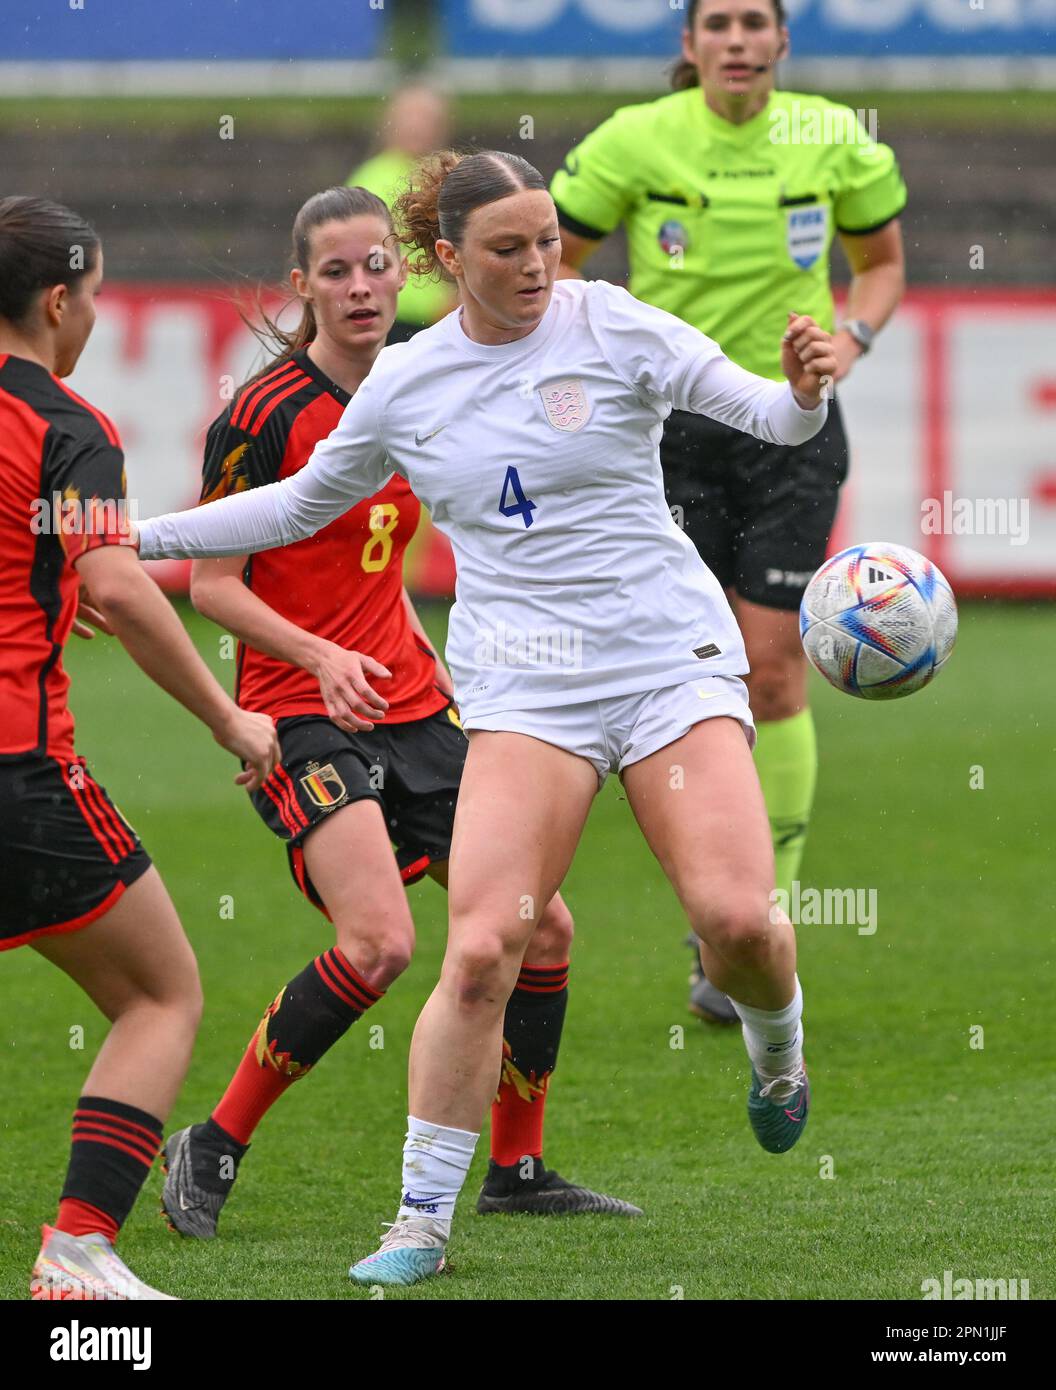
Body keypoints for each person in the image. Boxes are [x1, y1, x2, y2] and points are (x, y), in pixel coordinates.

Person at [130, 149, 838, 1289]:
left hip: (666, 660)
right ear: (449, 260)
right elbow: (305, 499)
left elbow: (772, 418)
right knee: (480, 950)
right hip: (525, 689)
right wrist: (141, 535)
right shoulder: (408, 381)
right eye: (508, 249)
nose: (538, 265)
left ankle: (777, 1053)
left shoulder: (613, 325)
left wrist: (807, 390)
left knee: (735, 922)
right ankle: (420, 1219)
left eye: (549, 240)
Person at [159, 185, 638, 1238]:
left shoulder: (426, 380)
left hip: (408, 701)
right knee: (378, 941)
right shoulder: (261, 414)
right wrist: (316, 654)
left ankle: (517, 1167)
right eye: (336, 271)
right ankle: (217, 1140)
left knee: (542, 925)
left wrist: (428, 661)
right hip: (299, 705)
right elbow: (212, 581)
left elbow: (383, 569)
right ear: (303, 287)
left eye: (377, 263)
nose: (363, 287)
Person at [551, 0, 907, 1022]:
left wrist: (853, 340)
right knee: (687, 674)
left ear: (783, 42)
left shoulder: (837, 136)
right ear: (691, 45)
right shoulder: (633, 139)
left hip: (792, 426)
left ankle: (757, 916)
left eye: (758, 22)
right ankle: (717, 903)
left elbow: (880, 267)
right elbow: (556, 264)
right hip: (667, 435)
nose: (740, 40)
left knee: (774, 666)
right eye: (721, 23)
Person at [0, 196, 278, 1300]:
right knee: (162, 993)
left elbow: (58, 561)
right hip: (19, 766)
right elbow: (116, 576)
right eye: (97, 298)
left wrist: (53, 583)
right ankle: (77, 1250)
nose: (96, 319)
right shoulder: (68, 423)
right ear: (61, 299)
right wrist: (229, 716)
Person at [346, 83, 458, 342]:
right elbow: (375, 256)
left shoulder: (444, 174)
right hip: (397, 318)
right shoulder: (373, 178)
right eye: (410, 117)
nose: (417, 127)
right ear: (389, 123)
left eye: (427, 119)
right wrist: (436, 304)